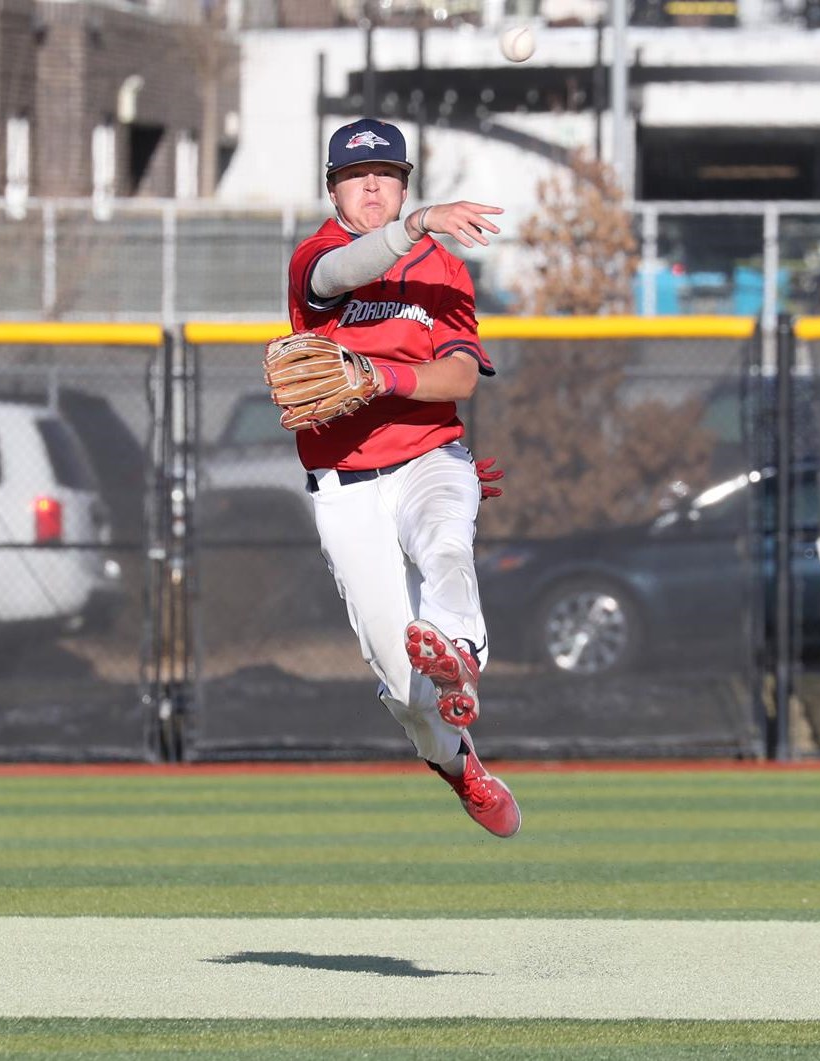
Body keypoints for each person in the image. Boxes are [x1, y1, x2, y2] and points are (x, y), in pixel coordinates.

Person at [283, 117, 519, 838]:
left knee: (445, 544)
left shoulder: (442, 267)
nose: (372, 187)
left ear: (405, 182)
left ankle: (462, 657)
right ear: (333, 191)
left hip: (429, 456)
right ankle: (457, 763)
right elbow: (338, 276)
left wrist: (378, 374)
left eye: (386, 174)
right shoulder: (315, 258)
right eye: (357, 177)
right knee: (401, 684)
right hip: (345, 482)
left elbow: (458, 376)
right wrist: (416, 224)